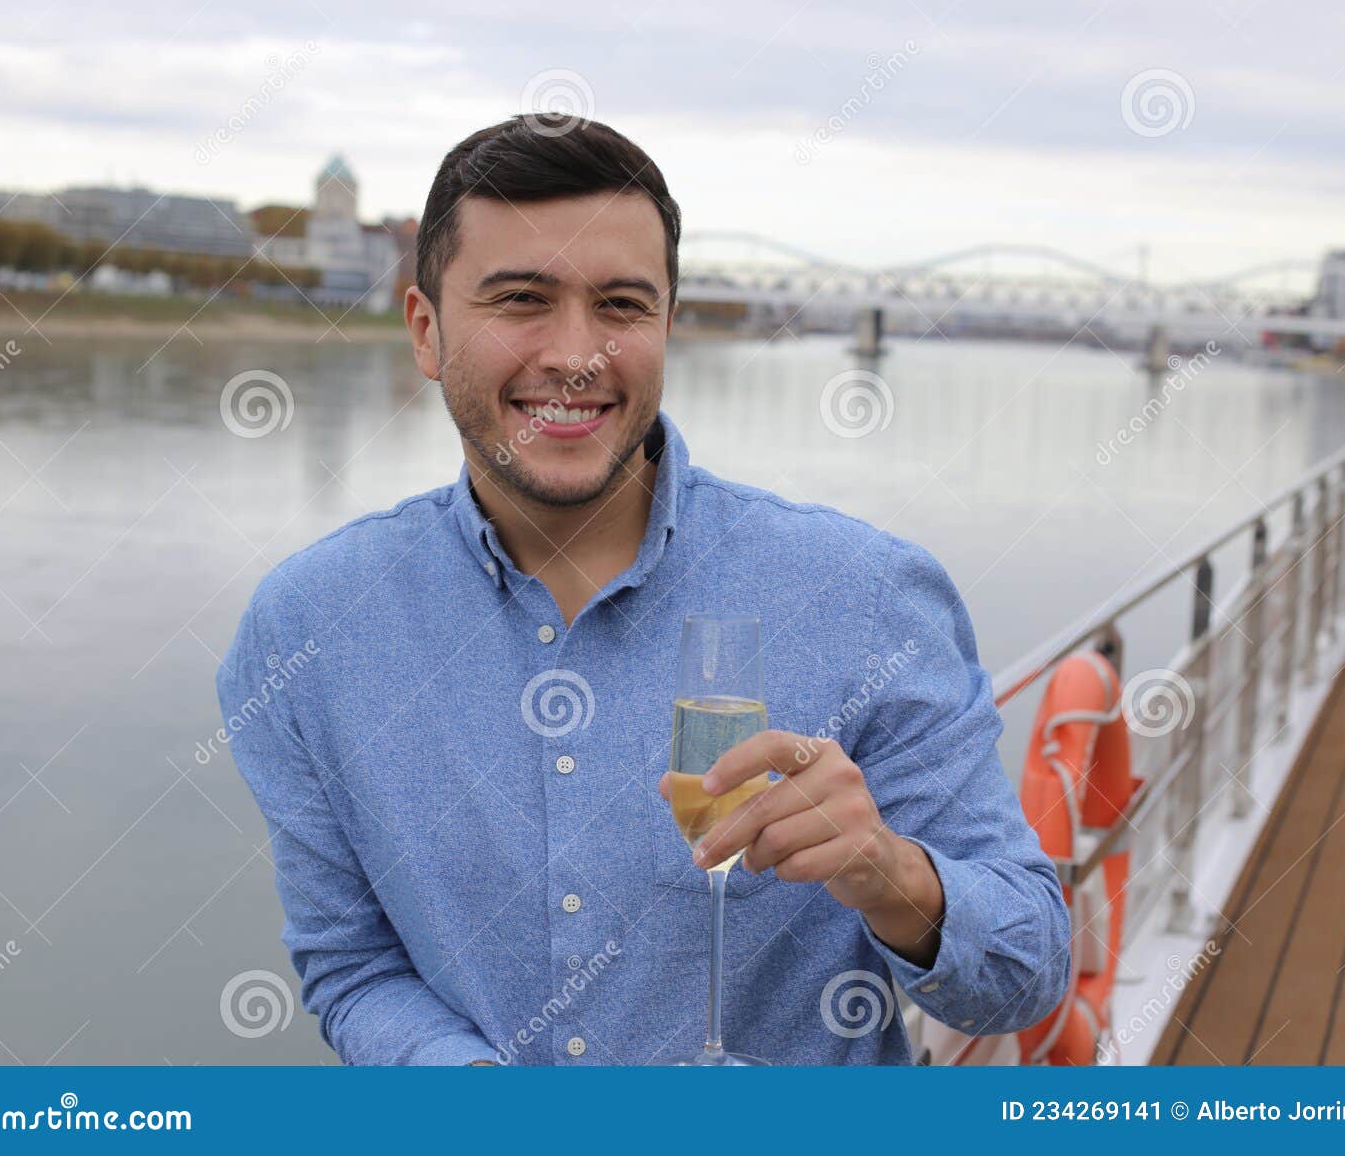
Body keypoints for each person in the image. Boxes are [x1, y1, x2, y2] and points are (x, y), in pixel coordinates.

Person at [217, 113, 1069, 1066]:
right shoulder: (307, 631)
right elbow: (353, 968)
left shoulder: (868, 597)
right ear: (425, 329)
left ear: (666, 325)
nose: (575, 354)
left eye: (621, 305)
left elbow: (1029, 971)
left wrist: (890, 873)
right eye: (521, 300)